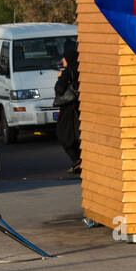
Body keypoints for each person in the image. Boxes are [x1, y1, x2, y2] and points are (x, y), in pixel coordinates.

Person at [54, 37, 80, 175]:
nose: (62, 61)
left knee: (64, 135)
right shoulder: (81, 70)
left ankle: (76, 161)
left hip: (68, 109)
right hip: (79, 108)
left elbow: (59, 90)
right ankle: (79, 162)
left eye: (63, 58)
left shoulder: (66, 72)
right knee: (77, 136)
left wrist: (60, 77)